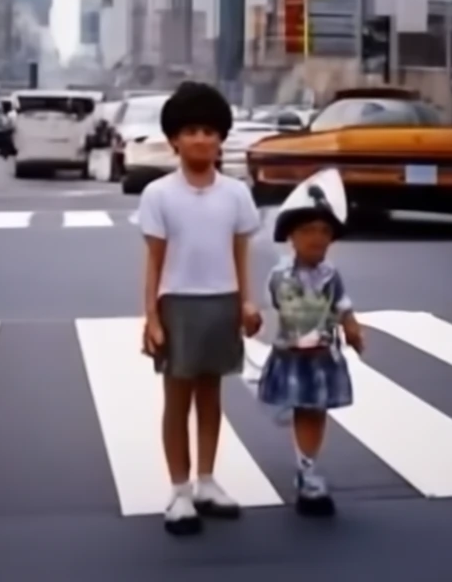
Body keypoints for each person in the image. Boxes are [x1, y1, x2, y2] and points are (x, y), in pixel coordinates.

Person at [137, 81, 263, 535]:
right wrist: (151, 317)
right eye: (191, 130)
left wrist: (246, 302)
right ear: (173, 139)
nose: (201, 139)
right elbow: (153, 261)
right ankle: (178, 490)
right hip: (178, 305)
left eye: (210, 130)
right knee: (178, 398)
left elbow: (240, 254)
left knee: (212, 396)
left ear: (221, 138)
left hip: (222, 302)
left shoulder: (235, 194)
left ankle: (207, 480)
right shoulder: (159, 194)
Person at [256, 168, 363, 516]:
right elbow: (280, 306)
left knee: (316, 410)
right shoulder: (280, 276)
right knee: (302, 407)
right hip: (293, 354)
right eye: (307, 231)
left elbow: (342, 302)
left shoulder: (332, 274)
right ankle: (305, 464)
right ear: (291, 237)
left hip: (323, 355)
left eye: (324, 232)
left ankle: (308, 467)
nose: (317, 239)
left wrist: (352, 326)